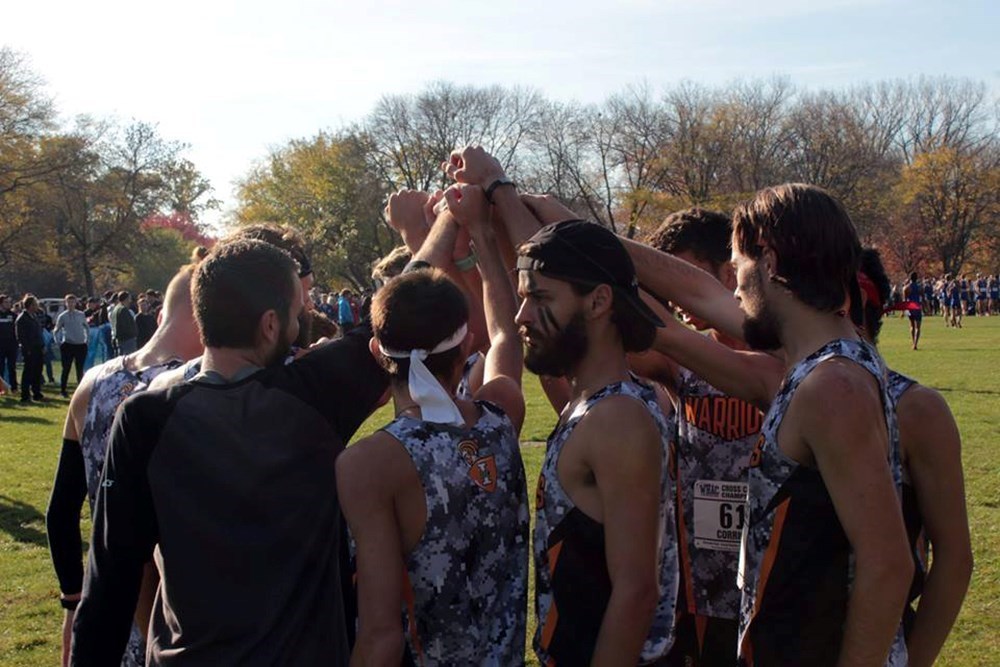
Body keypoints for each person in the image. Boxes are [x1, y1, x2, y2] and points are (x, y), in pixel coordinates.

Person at [620, 184, 912, 665]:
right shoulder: (817, 364)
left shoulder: (832, 383)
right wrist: (553, 216)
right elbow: (694, 292)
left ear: (770, 262)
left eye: (737, 266)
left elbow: (887, 564)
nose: (732, 286)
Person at [71, 239, 389, 666]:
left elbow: (110, 583)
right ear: (271, 326)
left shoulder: (145, 418)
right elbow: (394, 317)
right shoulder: (313, 396)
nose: (302, 328)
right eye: (299, 314)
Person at [339, 183, 528, 665]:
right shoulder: (503, 410)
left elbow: (381, 632)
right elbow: (506, 330)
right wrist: (481, 231)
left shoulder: (371, 462)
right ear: (466, 348)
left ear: (377, 352)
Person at [517, 220, 678, 665]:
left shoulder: (617, 418)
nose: (522, 316)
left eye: (540, 298)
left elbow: (636, 591)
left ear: (599, 300)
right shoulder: (590, 402)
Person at [47, 264, 204, 667]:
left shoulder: (92, 382)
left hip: (104, 606)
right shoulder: (195, 390)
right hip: (174, 621)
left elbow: (61, 511)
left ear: (159, 315)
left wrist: (73, 602)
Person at [54, 295, 89, 397]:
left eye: (73, 302)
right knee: (66, 369)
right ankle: (63, 391)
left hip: (80, 345)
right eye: (69, 302)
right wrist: (58, 342)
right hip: (68, 345)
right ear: (66, 303)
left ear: (75, 303)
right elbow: (56, 330)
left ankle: (80, 391)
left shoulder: (81, 315)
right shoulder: (62, 316)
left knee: (80, 369)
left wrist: (87, 340)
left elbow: (86, 327)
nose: (71, 304)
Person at [16, 294, 46, 403]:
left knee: (37, 372)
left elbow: (39, 332)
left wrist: (42, 346)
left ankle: (37, 393)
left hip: (38, 348)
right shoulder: (22, 318)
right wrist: (27, 349)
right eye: (34, 304)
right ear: (29, 305)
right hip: (30, 349)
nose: (37, 306)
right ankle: (25, 395)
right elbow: (21, 336)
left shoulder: (35, 317)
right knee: (28, 372)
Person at [0, 294, 18, 394]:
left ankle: (14, 388)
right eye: (6, 302)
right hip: (0, 345)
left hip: (11, 345)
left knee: (12, 367)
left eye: (9, 302)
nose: (8, 304)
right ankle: (2, 389)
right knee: (1, 367)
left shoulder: (13, 315)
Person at [112, 292, 138, 356]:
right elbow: (126, 325)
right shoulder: (123, 310)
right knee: (130, 359)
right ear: (126, 299)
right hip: (127, 340)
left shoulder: (116, 308)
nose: (130, 300)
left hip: (120, 339)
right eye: (129, 298)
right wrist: (134, 333)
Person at [905, 272, 923, 350]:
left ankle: (913, 342)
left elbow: (905, 300)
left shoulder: (907, 287)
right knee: (918, 327)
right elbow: (922, 298)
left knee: (912, 325)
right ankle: (915, 343)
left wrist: (903, 311)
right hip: (917, 307)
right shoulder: (919, 287)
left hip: (910, 307)